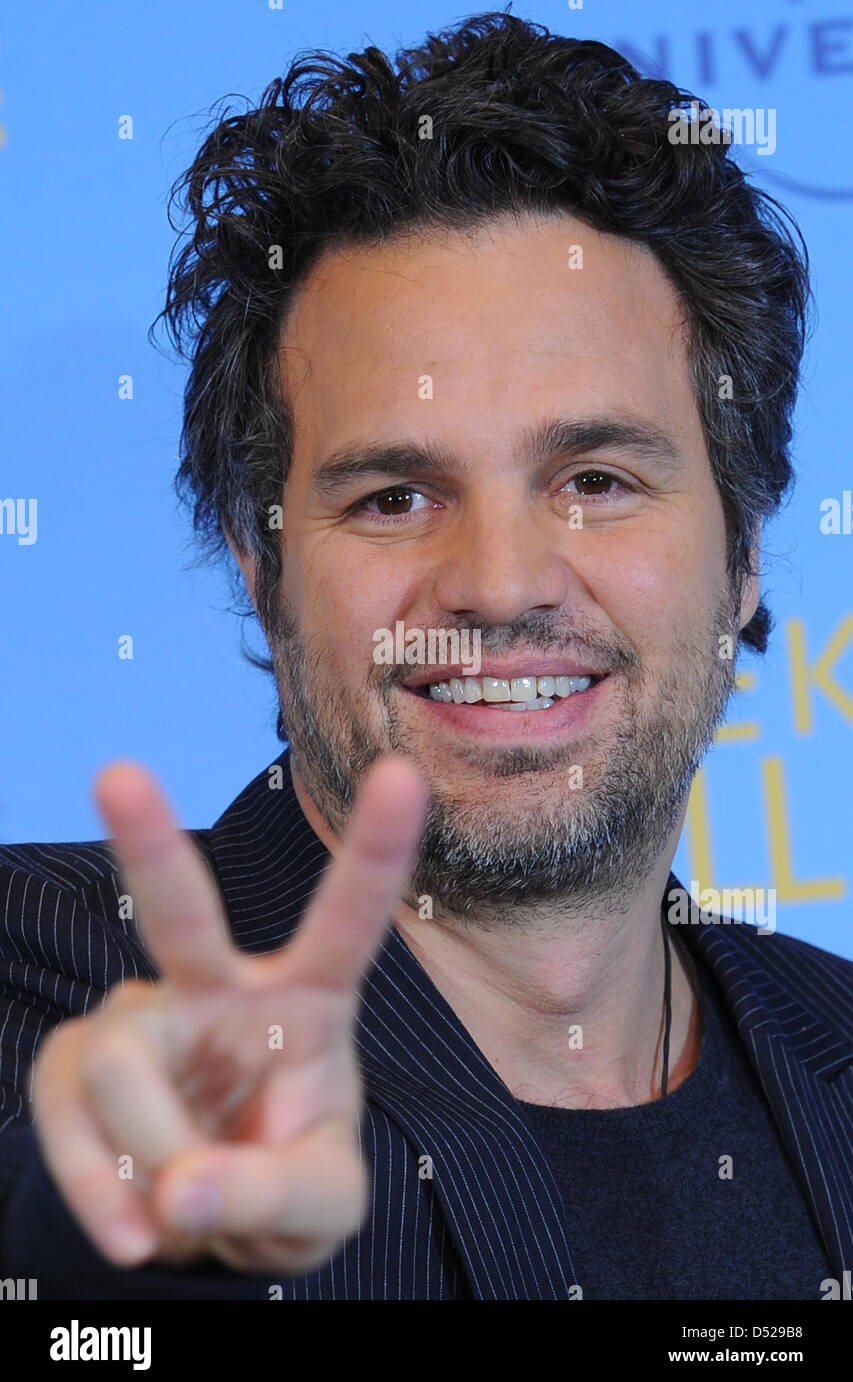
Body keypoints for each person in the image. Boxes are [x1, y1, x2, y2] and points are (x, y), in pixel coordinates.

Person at [1, 11, 850, 1301]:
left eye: (597, 479)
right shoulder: (34, 975)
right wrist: (123, 1240)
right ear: (256, 555)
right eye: (396, 496)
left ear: (741, 555)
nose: (502, 586)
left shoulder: (840, 1049)